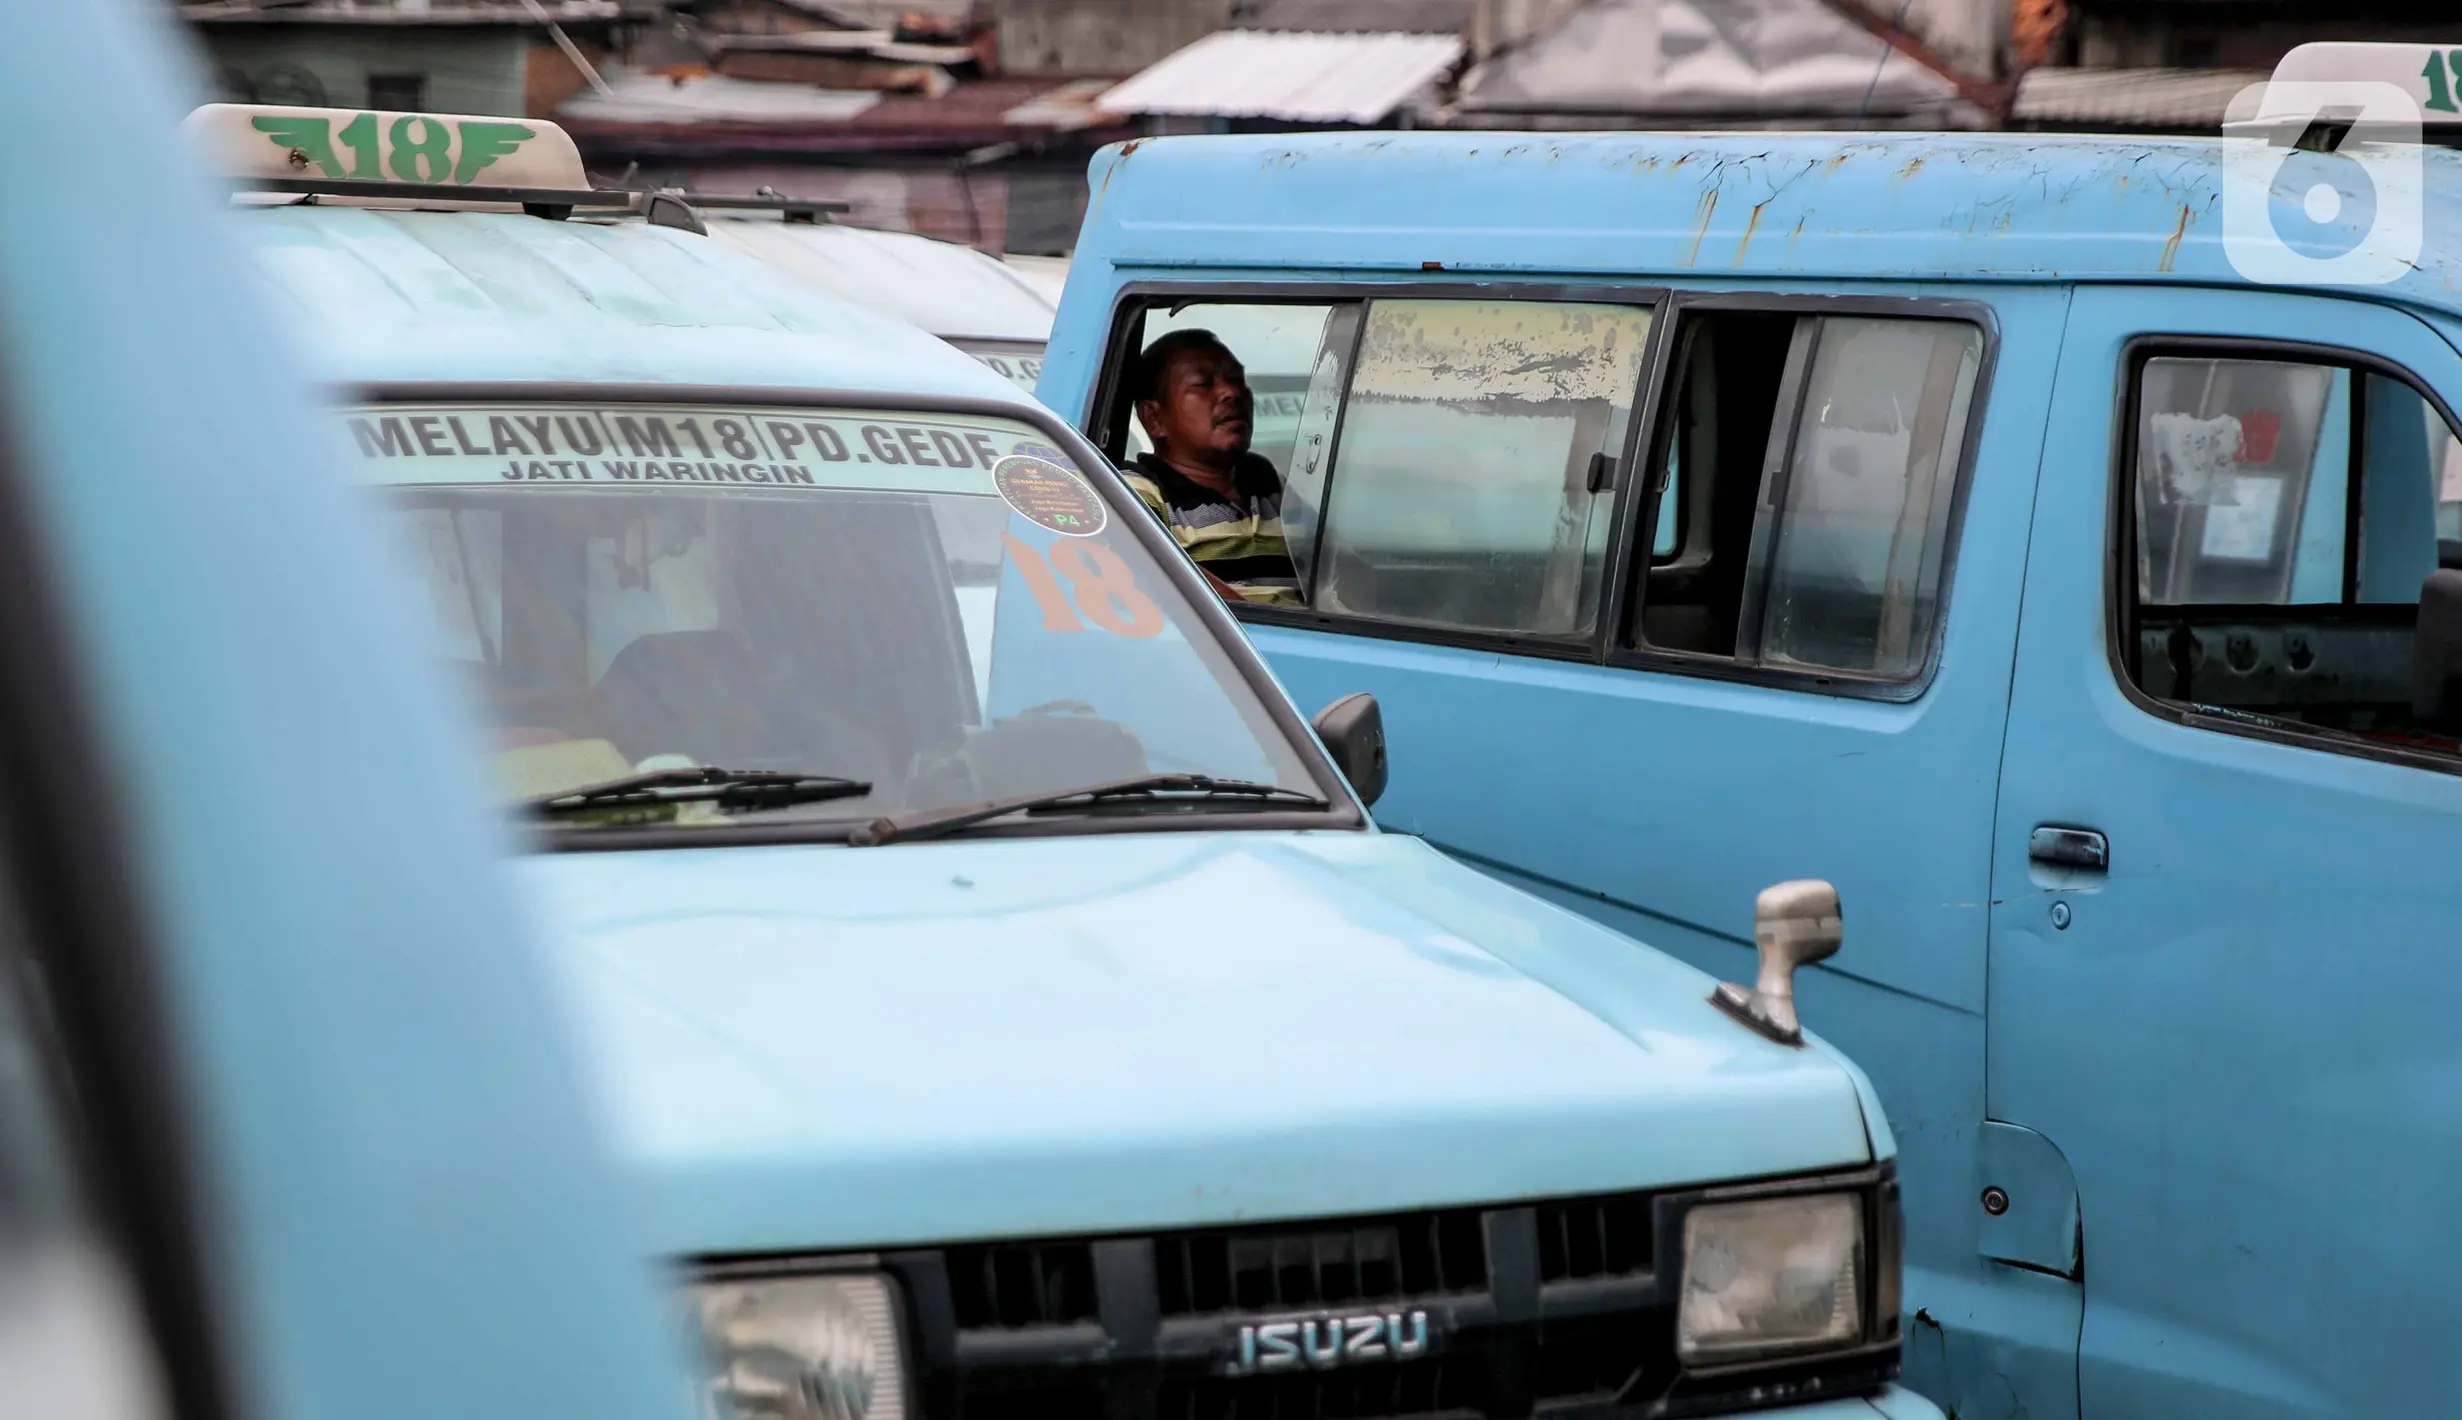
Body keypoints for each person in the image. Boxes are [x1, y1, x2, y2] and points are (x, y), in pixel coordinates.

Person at [1125, 329, 1303, 605]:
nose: (1231, 392)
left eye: (1236, 379)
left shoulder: (1266, 479)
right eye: (1202, 384)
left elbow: (1337, 569)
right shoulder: (1138, 492)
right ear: (1154, 418)